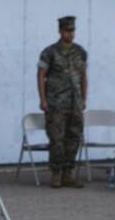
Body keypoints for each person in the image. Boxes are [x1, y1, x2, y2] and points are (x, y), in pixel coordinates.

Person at [36, 15, 87, 188]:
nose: (70, 34)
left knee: (74, 137)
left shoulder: (80, 52)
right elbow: (41, 75)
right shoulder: (50, 52)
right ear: (60, 31)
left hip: (75, 103)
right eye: (67, 30)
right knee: (57, 139)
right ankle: (56, 173)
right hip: (56, 103)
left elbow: (83, 77)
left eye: (72, 30)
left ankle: (68, 173)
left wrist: (84, 99)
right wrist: (42, 99)